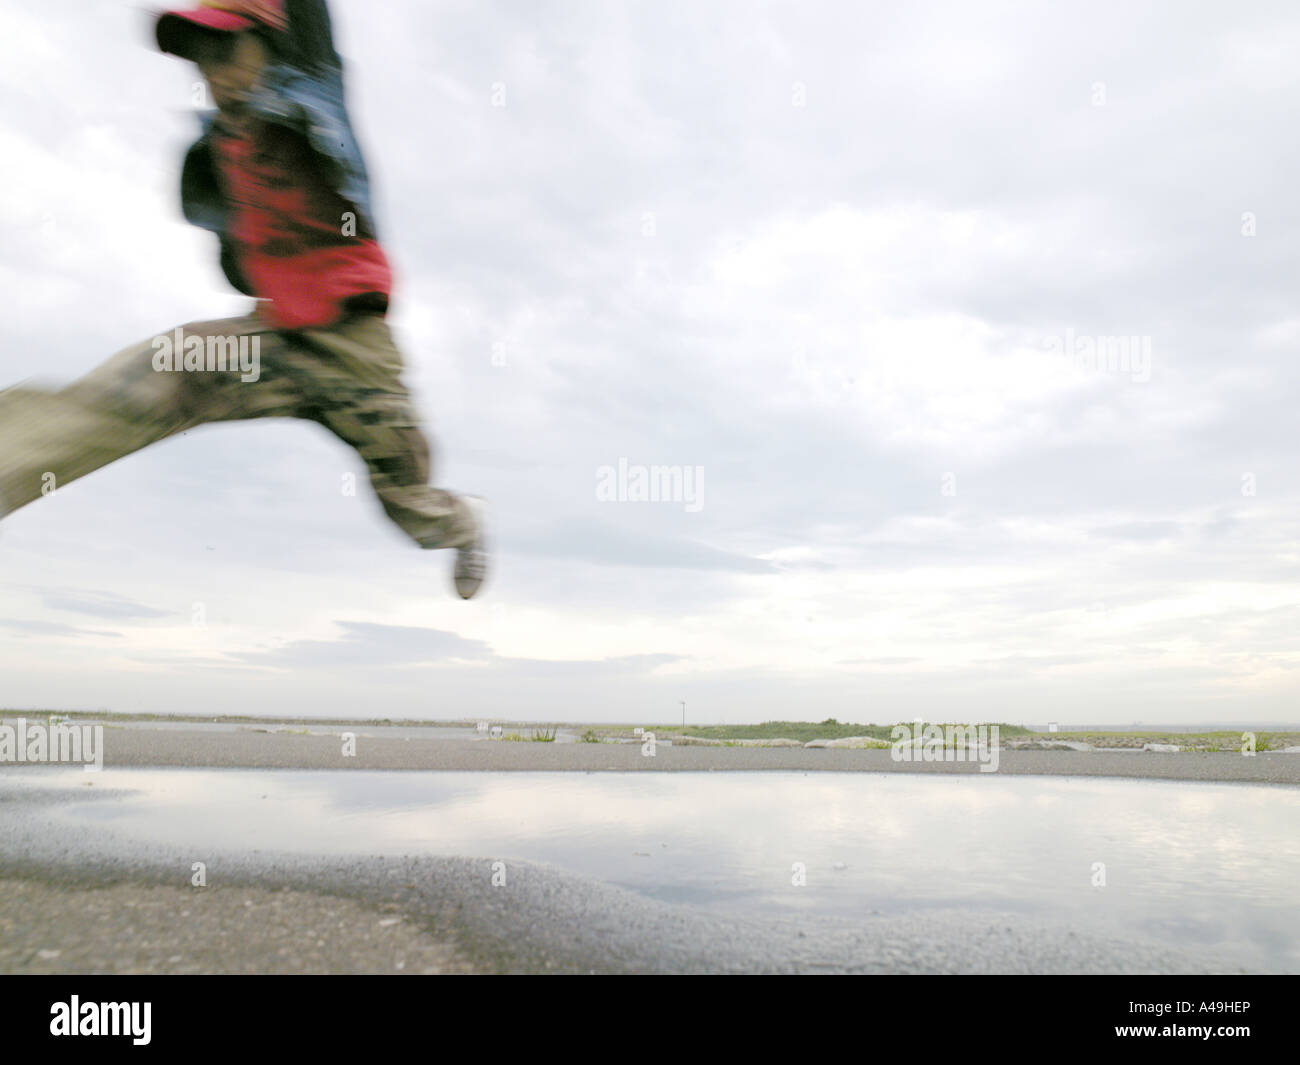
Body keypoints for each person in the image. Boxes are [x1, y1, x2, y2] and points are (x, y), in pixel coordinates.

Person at [0, 0, 488, 598]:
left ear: (272, 44)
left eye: (230, 51)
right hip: (270, 343)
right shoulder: (215, 144)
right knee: (146, 378)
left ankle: (464, 526)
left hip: (355, 355)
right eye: (204, 60)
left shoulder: (310, 88)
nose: (217, 74)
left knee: (410, 503)